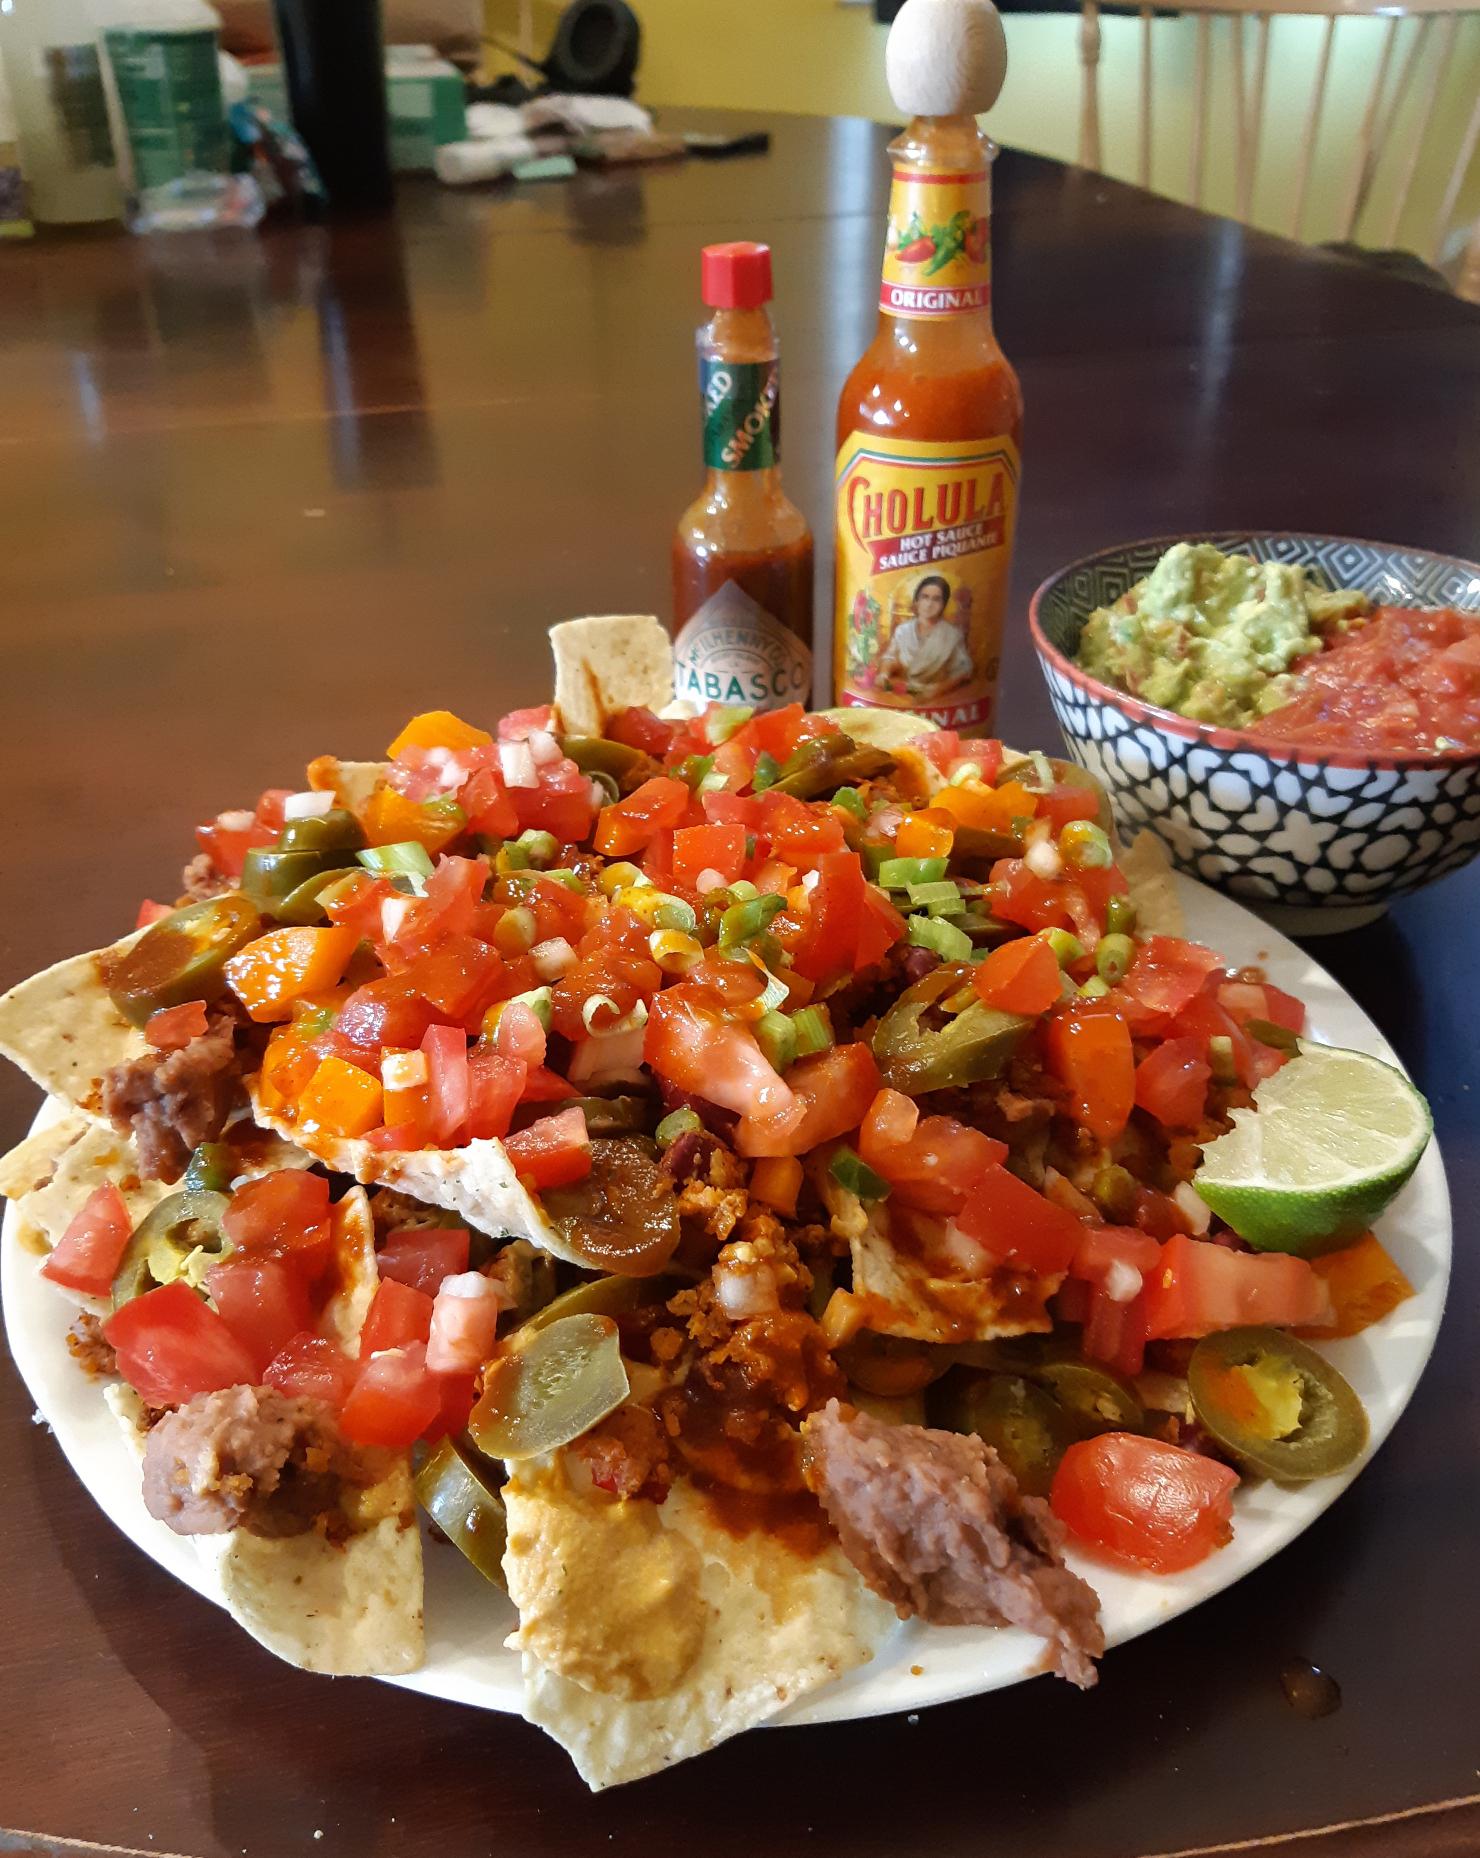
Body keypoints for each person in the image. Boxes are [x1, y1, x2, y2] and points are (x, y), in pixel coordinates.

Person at [875, 574, 975, 700]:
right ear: (917, 601)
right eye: (925, 597)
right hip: (904, 695)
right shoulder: (903, 630)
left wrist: (938, 689)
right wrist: (884, 674)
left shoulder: (952, 635)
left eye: (936, 599)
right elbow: (890, 657)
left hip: (938, 698)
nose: (929, 604)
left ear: (943, 604)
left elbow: (963, 670)